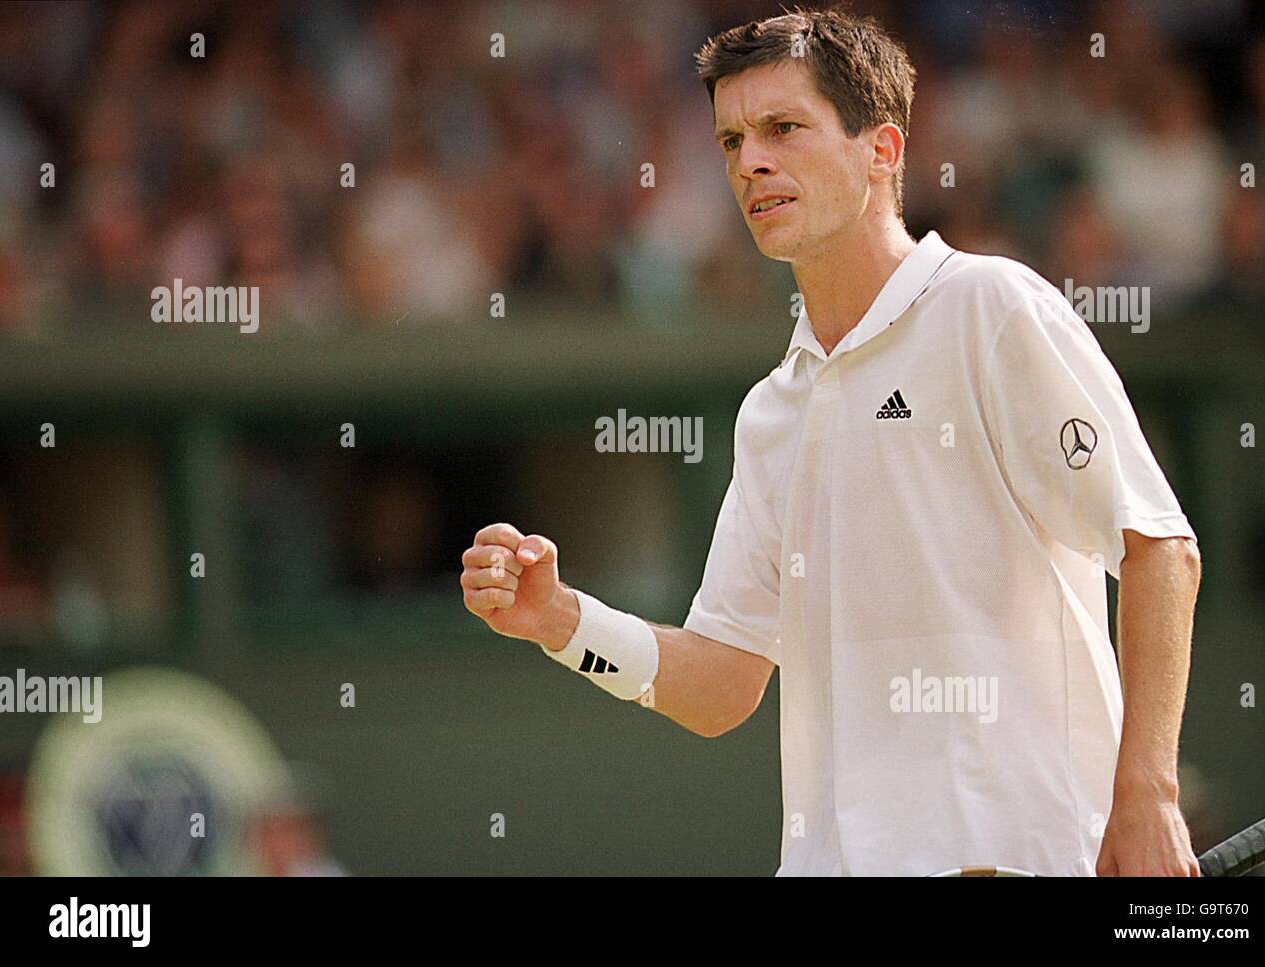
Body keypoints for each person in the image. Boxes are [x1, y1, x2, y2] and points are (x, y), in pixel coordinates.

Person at [460, 7, 1202, 876]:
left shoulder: (991, 308)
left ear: (881, 150)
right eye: (732, 140)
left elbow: (1159, 547)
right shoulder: (773, 411)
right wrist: (560, 620)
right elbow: (722, 683)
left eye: (783, 129)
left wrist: (1146, 793)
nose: (751, 162)